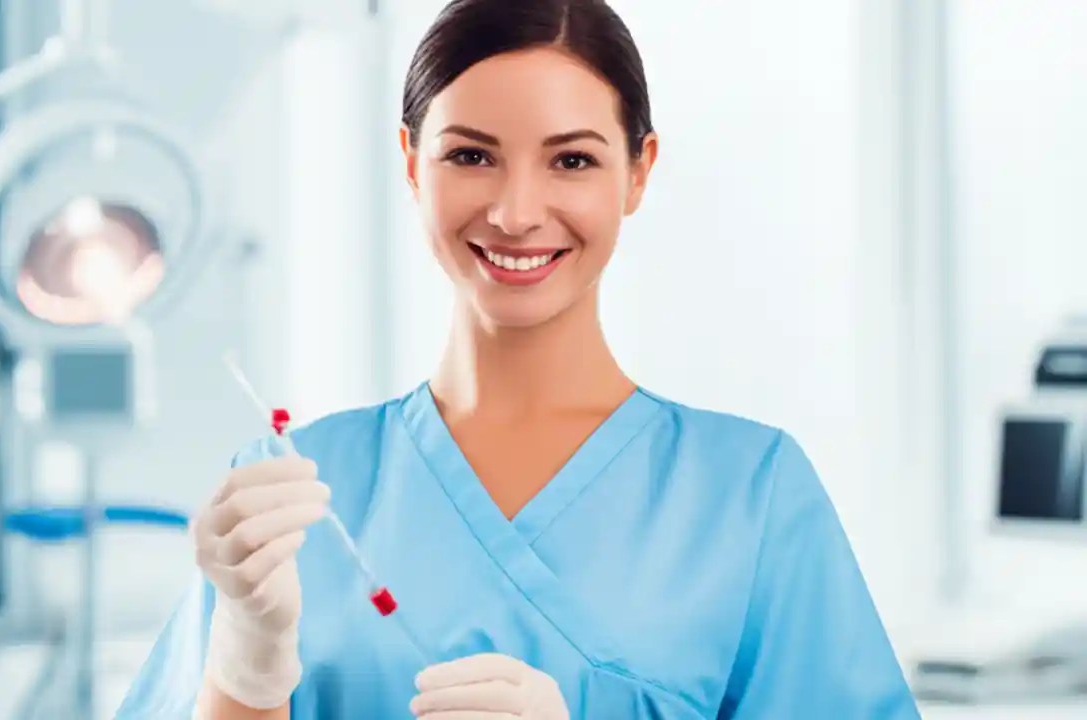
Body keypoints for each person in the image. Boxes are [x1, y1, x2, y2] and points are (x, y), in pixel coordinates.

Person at [117, 0, 921, 717]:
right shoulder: (287, 493)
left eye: (572, 160)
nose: (515, 212)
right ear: (412, 163)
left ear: (638, 171)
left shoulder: (748, 494)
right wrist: (246, 672)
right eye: (471, 156)